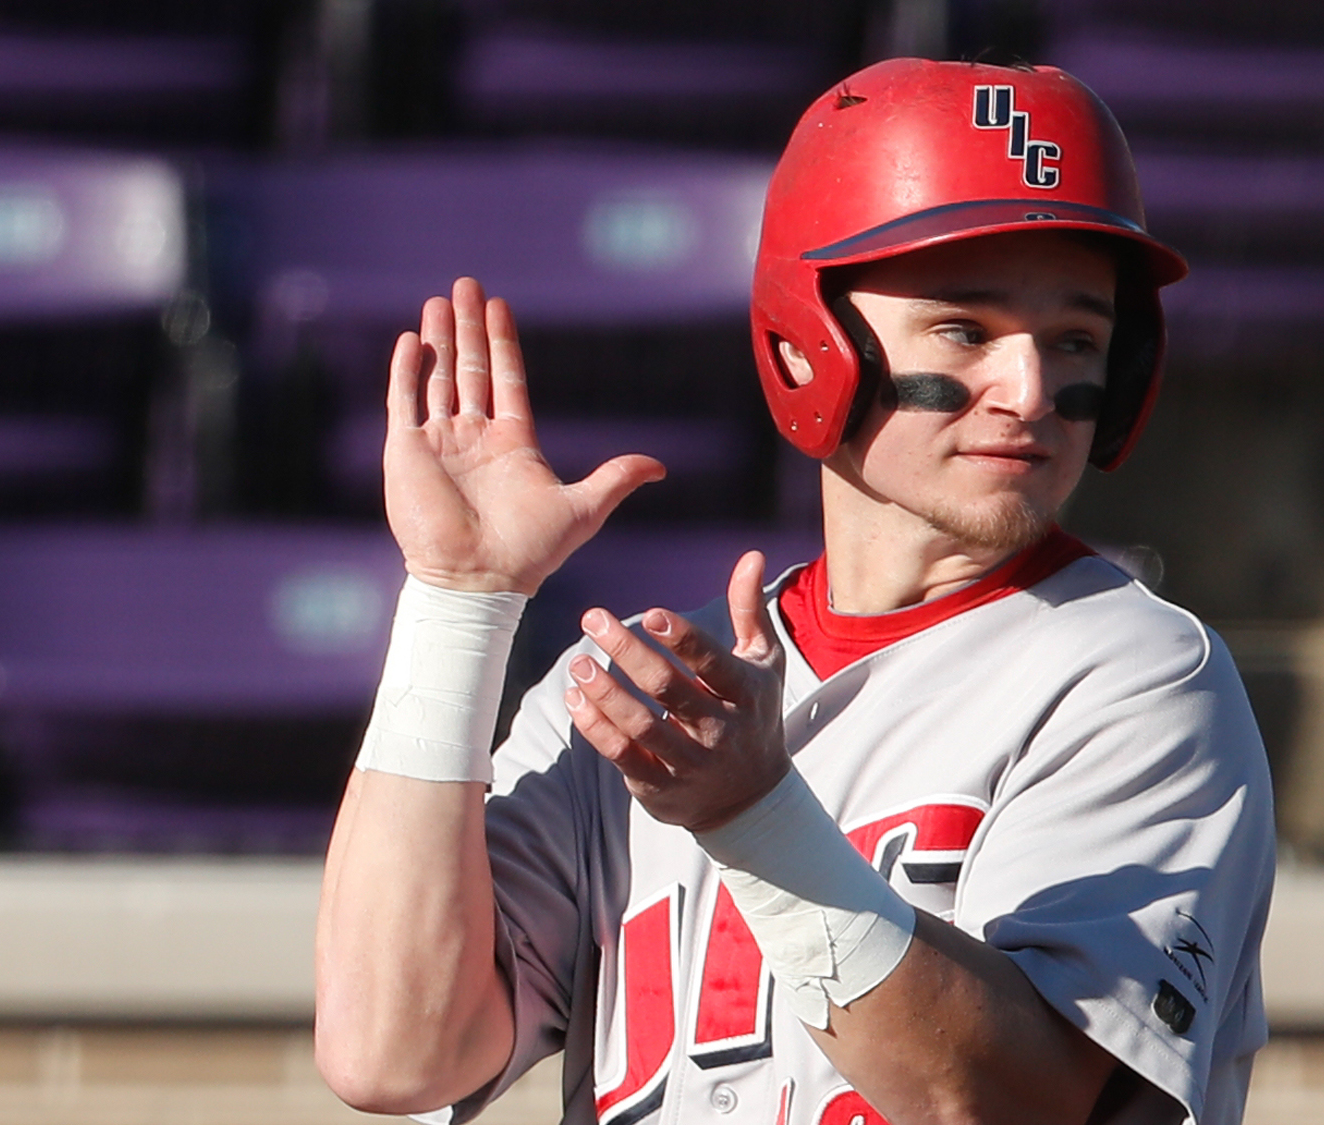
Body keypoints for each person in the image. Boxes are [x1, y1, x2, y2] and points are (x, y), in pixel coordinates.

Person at [314, 58, 1275, 1125]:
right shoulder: (636, 696)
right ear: (808, 342)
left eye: (1076, 340)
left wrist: (752, 818)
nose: (1031, 391)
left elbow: (1014, 1105)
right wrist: (458, 605)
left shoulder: (1136, 679)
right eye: (964, 330)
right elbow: (391, 1054)